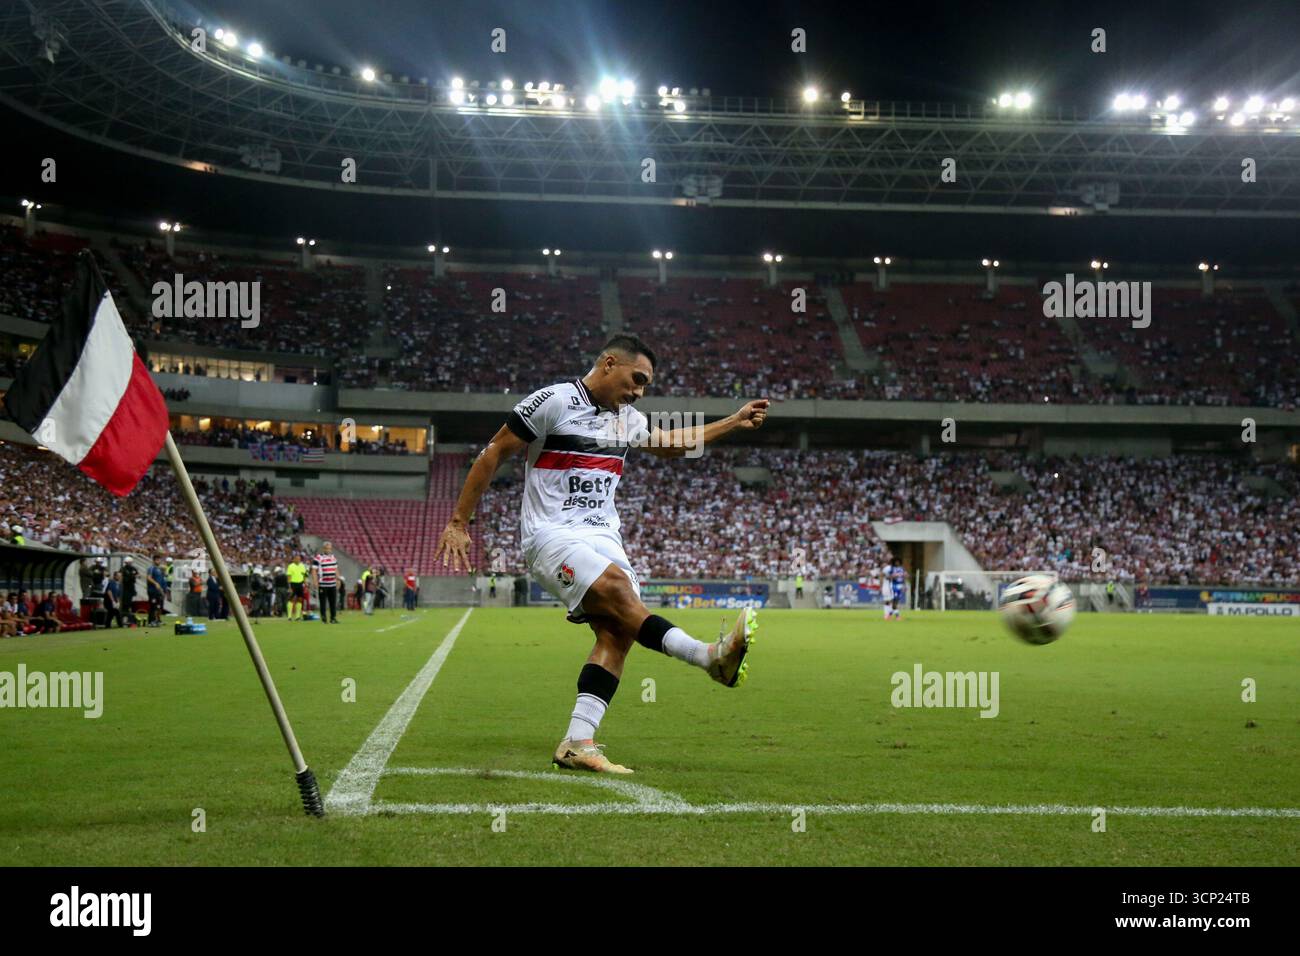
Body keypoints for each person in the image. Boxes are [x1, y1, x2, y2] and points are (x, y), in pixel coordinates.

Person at [435, 334, 769, 774]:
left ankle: (578, 742)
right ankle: (709, 656)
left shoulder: (626, 419)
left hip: (604, 537)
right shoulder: (553, 401)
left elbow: (669, 443)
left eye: (645, 386)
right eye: (636, 380)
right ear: (609, 363)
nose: (638, 392)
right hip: (553, 535)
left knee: (618, 632)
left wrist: (732, 422)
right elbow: (495, 451)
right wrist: (460, 521)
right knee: (617, 593)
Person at [312, 542, 340, 624]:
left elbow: (336, 569)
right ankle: (324, 619)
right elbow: (314, 570)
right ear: (323, 548)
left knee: (333, 602)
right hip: (323, 583)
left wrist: (338, 579)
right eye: (327, 548)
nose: (328, 550)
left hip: (332, 583)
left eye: (330, 548)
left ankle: (333, 618)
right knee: (323, 602)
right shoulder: (318, 558)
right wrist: (315, 581)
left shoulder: (333, 557)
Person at [146, 554, 168, 625]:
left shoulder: (160, 569)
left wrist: (163, 591)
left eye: (160, 560)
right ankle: (151, 621)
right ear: (154, 560)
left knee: (159, 606)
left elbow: (162, 580)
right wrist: (155, 583)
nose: (159, 561)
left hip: (159, 591)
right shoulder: (151, 568)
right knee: (153, 606)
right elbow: (148, 578)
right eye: (157, 560)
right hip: (152, 591)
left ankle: (158, 620)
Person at [285, 555, 308, 620]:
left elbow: (305, 575)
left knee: (300, 599)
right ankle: (289, 616)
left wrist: (305, 584)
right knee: (291, 599)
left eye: (299, 559)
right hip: (293, 584)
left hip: (300, 584)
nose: (298, 560)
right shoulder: (290, 566)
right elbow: (289, 576)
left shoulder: (302, 566)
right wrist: (289, 586)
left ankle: (297, 616)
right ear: (293, 559)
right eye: (296, 559)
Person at [121, 557, 139, 628]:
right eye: (129, 562)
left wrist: (132, 576)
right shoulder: (123, 569)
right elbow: (125, 579)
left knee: (129, 604)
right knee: (125, 605)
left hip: (131, 588)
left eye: (130, 562)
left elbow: (137, 575)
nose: (130, 564)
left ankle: (128, 619)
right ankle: (124, 620)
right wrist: (132, 576)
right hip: (125, 589)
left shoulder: (133, 568)